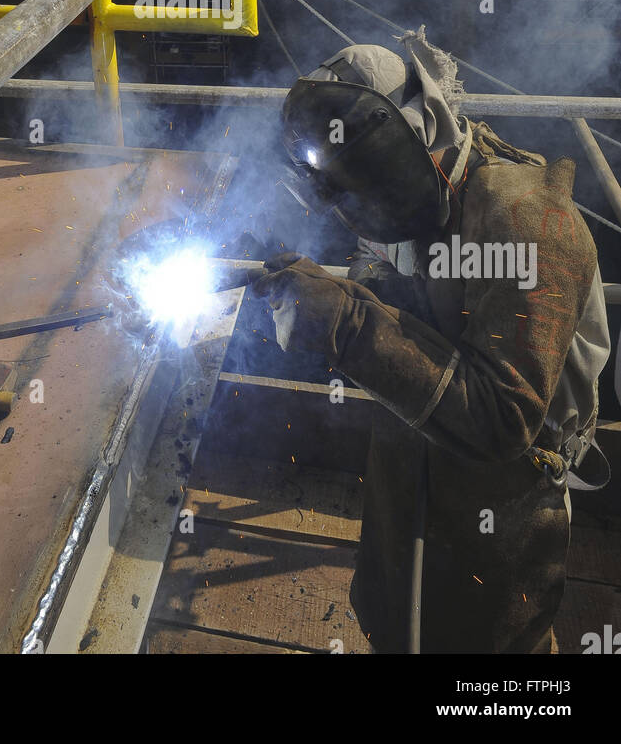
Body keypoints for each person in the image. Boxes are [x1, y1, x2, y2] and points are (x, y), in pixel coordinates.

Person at [257, 32, 611, 654]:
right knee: (394, 613)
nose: (356, 206)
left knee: (492, 640)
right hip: (409, 447)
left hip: (506, 488)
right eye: (342, 187)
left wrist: (346, 322)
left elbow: (506, 418)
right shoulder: (403, 199)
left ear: (424, 130)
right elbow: (382, 275)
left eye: (365, 177)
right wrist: (300, 281)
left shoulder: (524, 221)